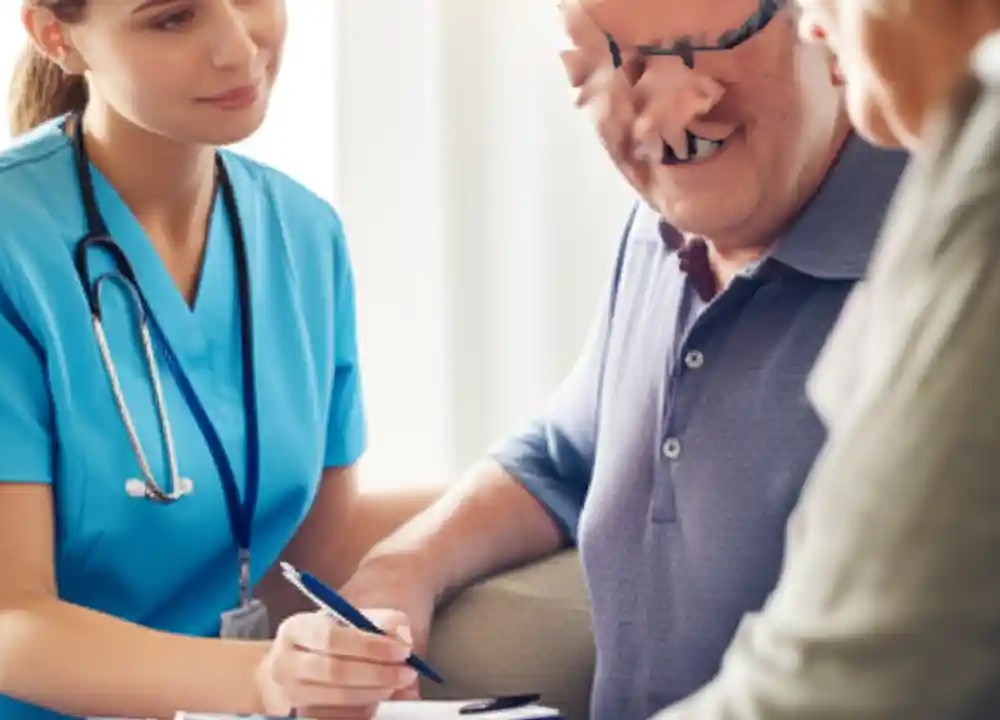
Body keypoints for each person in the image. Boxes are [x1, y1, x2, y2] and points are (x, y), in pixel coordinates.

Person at [0, 2, 437, 718]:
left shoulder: (305, 235)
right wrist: (263, 679)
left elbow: (309, 548)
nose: (238, 47)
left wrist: (533, 494)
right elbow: (8, 629)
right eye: (172, 18)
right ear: (57, 37)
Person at [335, 1, 911, 718]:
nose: (664, 113)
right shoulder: (663, 230)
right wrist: (401, 569)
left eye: (711, 45)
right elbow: (561, 454)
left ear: (828, 28)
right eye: (617, 62)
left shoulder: (943, 267)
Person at [656, 1, 1000, 717]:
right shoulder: (652, 246)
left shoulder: (994, 169)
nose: (815, 27)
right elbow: (562, 449)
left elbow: (848, 686)